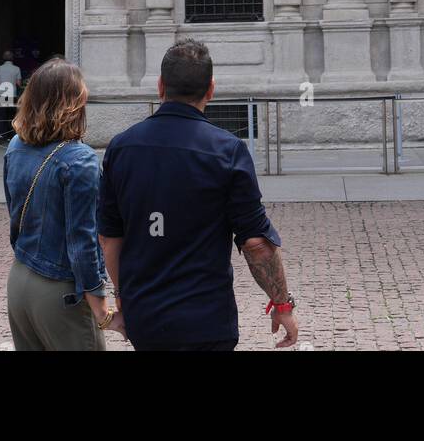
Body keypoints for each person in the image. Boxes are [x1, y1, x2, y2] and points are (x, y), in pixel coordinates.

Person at [97, 40, 298, 351]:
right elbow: (256, 243)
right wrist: (282, 304)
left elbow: (109, 238)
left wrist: (124, 296)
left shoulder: (121, 148)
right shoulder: (227, 151)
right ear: (211, 89)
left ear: (160, 86)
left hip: (146, 318)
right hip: (207, 320)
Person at [4, 58, 118, 351]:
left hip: (19, 278)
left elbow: (14, 215)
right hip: (59, 290)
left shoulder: (15, 145)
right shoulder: (79, 160)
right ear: (73, 102)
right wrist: (102, 310)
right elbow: (82, 242)